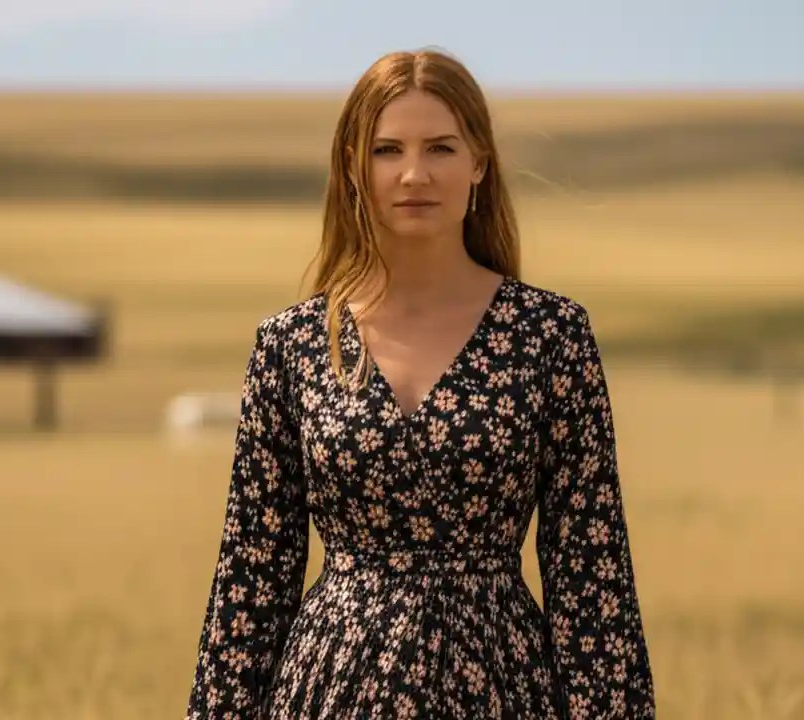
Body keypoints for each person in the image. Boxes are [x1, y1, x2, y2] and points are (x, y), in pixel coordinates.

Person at [185, 48, 655, 720]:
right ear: (353, 166)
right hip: (328, 693)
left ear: (479, 163)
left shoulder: (551, 336)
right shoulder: (290, 348)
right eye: (386, 150)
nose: (413, 174)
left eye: (440, 147)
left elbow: (591, 580)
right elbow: (251, 583)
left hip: (501, 690)